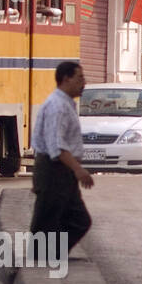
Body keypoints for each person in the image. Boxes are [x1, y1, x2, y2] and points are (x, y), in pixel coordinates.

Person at [29, 60, 94, 257]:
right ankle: (43, 258)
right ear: (66, 79)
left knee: (78, 219)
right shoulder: (57, 106)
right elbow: (57, 146)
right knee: (48, 218)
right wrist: (78, 170)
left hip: (63, 172)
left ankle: (53, 254)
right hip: (53, 170)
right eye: (80, 78)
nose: (84, 83)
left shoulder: (67, 104)